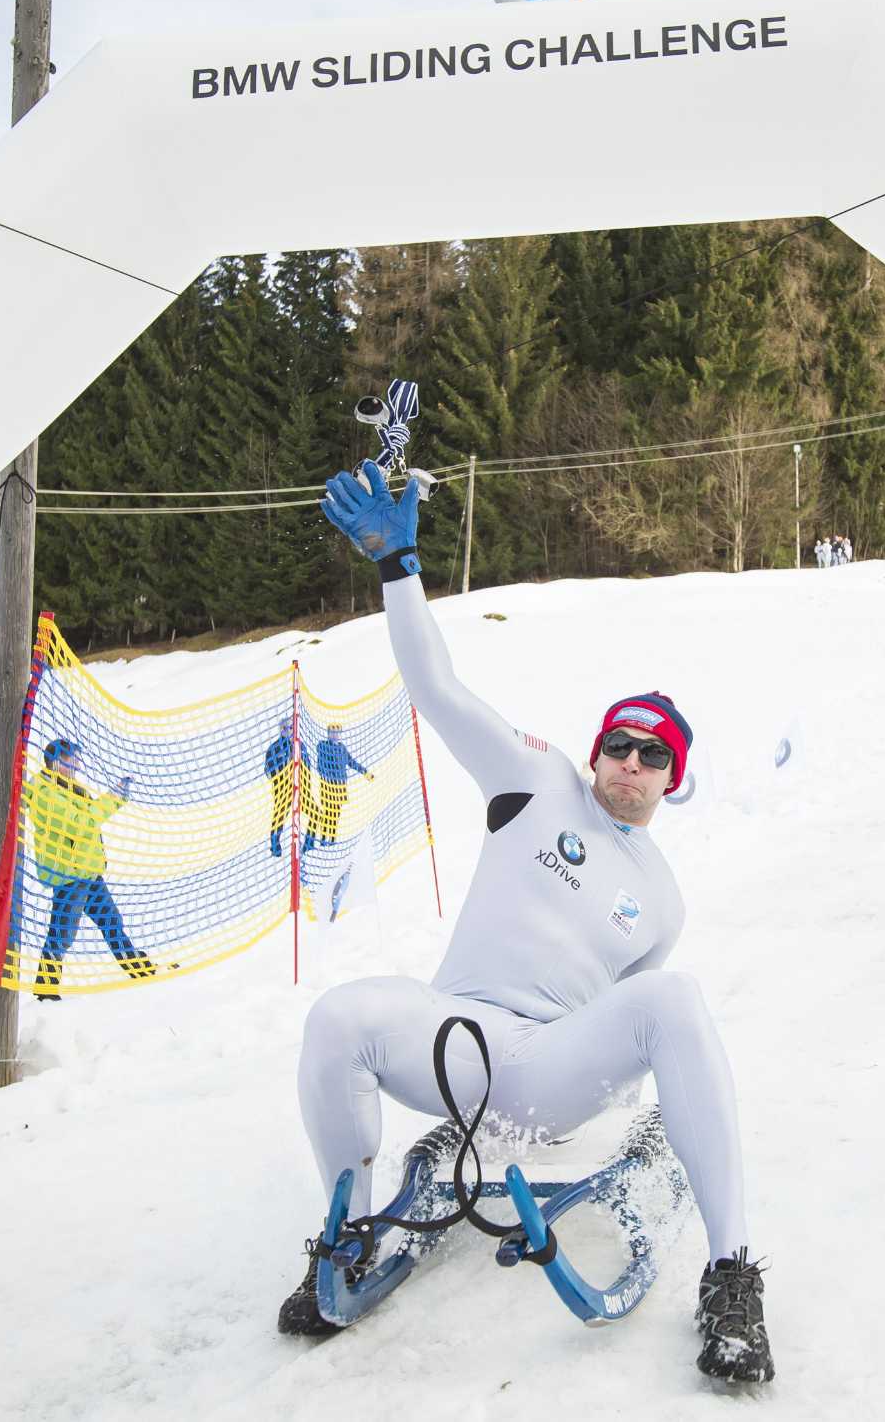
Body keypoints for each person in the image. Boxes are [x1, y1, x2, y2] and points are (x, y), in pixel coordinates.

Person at [289, 461, 774, 1384]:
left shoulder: (661, 896)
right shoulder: (536, 781)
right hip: (455, 1039)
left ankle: (731, 1273)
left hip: (547, 1076)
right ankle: (345, 1232)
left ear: (675, 778)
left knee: (673, 997)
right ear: (595, 751)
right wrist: (397, 564)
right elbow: (438, 689)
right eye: (619, 745)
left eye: (653, 756)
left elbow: (633, 1027)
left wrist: (644, 1124)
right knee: (339, 1016)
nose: (630, 763)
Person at [25, 737, 156, 999]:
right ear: (55, 763)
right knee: (62, 934)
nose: (75, 764)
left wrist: (116, 795)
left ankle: (135, 966)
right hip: (70, 875)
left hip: (88, 871)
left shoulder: (71, 788)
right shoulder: (44, 792)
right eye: (69, 759)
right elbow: (83, 824)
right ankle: (45, 988)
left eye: (76, 758)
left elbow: (91, 815)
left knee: (112, 922)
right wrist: (113, 798)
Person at [304, 722, 373, 852]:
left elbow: (351, 762)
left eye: (337, 732)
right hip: (328, 785)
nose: (335, 735)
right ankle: (324, 839)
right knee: (327, 811)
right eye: (332, 732)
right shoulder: (324, 747)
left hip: (340, 786)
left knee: (336, 813)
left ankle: (332, 839)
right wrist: (327, 776)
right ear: (328, 733)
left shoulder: (342, 748)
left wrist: (365, 772)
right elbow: (320, 766)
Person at [264, 718, 300, 858]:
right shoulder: (274, 747)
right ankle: (275, 845)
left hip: (297, 786)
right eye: (284, 728)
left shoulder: (296, 745)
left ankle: (304, 846)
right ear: (280, 730)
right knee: (280, 815)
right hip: (281, 788)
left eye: (290, 728)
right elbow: (268, 769)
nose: (288, 731)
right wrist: (281, 775)